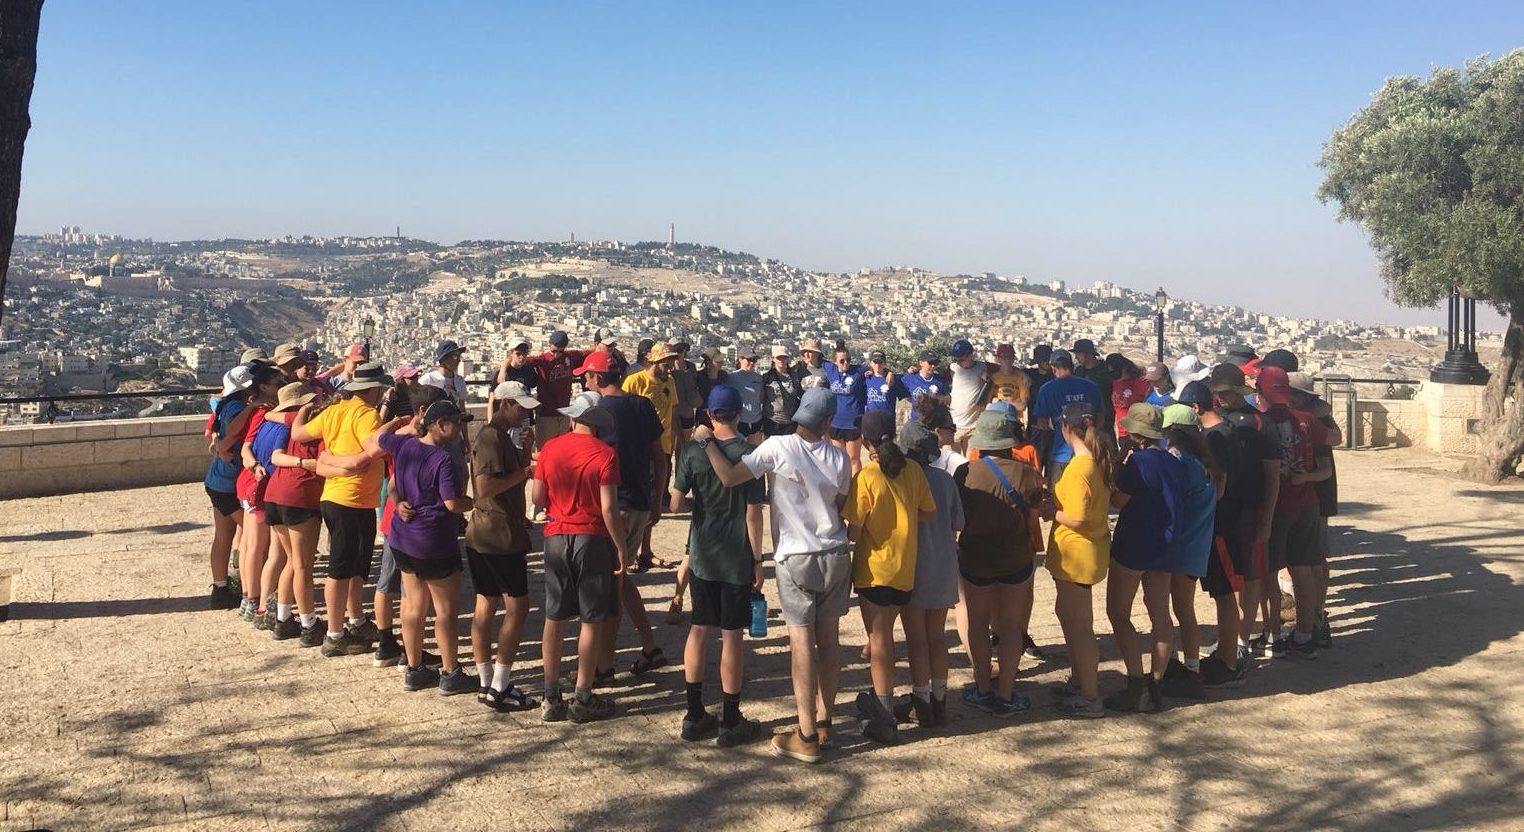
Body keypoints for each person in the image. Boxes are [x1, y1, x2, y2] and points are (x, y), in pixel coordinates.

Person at [696, 387, 851, 765]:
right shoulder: (840, 458)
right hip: (834, 551)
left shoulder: (779, 447)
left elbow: (731, 477)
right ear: (828, 422)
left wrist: (706, 444)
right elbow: (840, 505)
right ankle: (825, 719)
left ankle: (805, 734)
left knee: (801, 643)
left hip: (795, 555)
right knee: (828, 642)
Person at [671, 385, 767, 747]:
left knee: (699, 628)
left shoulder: (694, 453)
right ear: (739, 414)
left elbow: (677, 504)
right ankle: (730, 717)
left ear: (709, 415)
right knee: (732, 636)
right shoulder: (750, 455)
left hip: (702, 552)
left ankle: (694, 713)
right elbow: (753, 513)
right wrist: (758, 558)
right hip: (736, 555)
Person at [369, 400, 476, 694]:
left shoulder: (405, 446)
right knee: (445, 611)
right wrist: (477, 503)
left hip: (404, 538)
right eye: (456, 422)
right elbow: (452, 503)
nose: (459, 428)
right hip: (434, 540)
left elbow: (378, 439)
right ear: (441, 425)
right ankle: (450, 671)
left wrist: (396, 501)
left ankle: (414, 669)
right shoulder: (442, 459)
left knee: (414, 606)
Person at [842, 410, 935, 744]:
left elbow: (854, 531)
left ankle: (883, 712)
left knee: (880, 642)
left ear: (865, 441)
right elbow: (929, 511)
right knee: (885, 637)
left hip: (874, 569)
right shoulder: (913, 471)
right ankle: (895, 698)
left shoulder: (867, 476)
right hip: (904, 568)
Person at [533, 392, 627, 724]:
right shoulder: (606, 454)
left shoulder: (549, 448)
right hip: (592, 537)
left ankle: (550, 693)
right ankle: (583, 695)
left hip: (556, 535)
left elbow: (537, 496)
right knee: (591, 618)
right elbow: (608, 508)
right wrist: (621, 546)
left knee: (554, 617)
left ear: (573, 418)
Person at [290, 360, 392, 658]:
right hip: (353, 497)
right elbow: (373, 449)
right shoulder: (366, 415)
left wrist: (302, 413)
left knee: (356, 565)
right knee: (341, 568)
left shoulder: (334, 411)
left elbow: (298, 435)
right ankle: (335, 634)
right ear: (373, 389)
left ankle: (356, 619)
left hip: (336, 496)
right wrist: (396, 432)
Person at [954, 409, 1044, 719]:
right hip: (1015, 558)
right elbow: (1034, 519)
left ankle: (981, 687)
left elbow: (958, 519)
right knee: (1010, 627)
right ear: (1010, 442)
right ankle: (1006, 693)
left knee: (978, 624)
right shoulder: (1029, 474)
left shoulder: (965, 473)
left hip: (975, 558)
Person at [586, 355, 669, 676]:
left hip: (613, 505)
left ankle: (603, 665)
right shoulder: (643, 406)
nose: (585, 382)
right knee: (620, 580)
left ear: (597, 377)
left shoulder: (596, 413)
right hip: (639, 501)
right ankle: (650, 647)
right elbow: (659, 460)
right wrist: (657, 502)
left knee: (610, 589)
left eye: (588, 377)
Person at [465, 381, 542, 711]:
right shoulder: (492, 437)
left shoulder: (496, 437)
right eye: (521, 407)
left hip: (483, 533)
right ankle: (499, 684)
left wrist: (525, 452)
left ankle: (486, 681)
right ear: (506, 404)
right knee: (517, 608)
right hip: (499, 535)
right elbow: (485, 487)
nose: (525, 413)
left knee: (485, 605)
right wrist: (527, 469)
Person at [1104, 403, 1185, 713]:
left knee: (1119, 612)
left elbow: (1118, 500)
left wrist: (1116, 467)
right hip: (1165, 545)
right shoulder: (1175, 462)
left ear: (1135, 434)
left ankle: (1136, 683)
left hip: (1134, 543)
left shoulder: (1137, 463)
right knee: (1160, 614)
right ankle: (1156, 682)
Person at [1204, 363, 1282, 661]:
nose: (1221, 397)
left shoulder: (1262, 424)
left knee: (1250, 578)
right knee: (1226, 580)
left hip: (1250, 509)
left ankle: (1241, 639)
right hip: (1221, 510)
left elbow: (1273, 474)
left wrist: (1267, 519)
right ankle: (1231, 634)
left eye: (1226, 392)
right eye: (1218, 392)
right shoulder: (1213, 422)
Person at [890, 419, 964, 727]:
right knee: (936, 637)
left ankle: (920, 700)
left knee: (916, 638)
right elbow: (958, 523)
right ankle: (940, 701)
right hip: (944, 565)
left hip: (913, 565)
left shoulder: (900, 480)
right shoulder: (945, 480)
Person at [1256, 366, 1332, 659]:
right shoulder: (1307, 420)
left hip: (1275, 506)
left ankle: (1272, 632)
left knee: (1269, 572)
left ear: (1261, 392)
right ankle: (1304, 633)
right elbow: (1333, 439)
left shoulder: (1262, 424)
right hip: (1307, 503)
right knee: (1303, 569)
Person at [1045, 403, 1115, 718]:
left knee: (1081, 626)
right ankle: (1080, 680)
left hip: (1077, 552)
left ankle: (1090, 696)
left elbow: (1077, 517)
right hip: (1085, 550)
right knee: (1069, 616)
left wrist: (1051, 512)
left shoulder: (1080, 468)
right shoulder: (1095, 461)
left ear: (1066, 428)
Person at [1156, 405, 1220, 701]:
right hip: (1197, 545)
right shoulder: (1203, 462)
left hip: (1180, 546)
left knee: (1169, 609)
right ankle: (1191, 667)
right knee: (1185, 610)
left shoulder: (1180, 463)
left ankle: (1171, 666)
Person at [263, 383, 332, 647]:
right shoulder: (320, 429)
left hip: (274, 493)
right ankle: (308, 623)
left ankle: (283, 619)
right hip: (300, 495)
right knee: (303, 564)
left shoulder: (290, 423)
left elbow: (273, 420)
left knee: (291, 561)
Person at [1286, 369, 1341, 649]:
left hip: (1315, 496)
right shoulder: (1319, 420)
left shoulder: (1312, 423)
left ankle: (1316, 617)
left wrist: (1303, 478)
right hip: (1319, 496)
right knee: (1316, 558)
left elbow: (1324, 467)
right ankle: (1316, 616)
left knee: (1314, 559)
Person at [622, 341, 681, 571]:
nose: (670, 367)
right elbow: (623, 411)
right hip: (638, 448)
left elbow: (672, 412)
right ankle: (633, 550)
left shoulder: (671, 382)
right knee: (636, 501)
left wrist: (677, 442)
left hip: (662, 447)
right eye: (667, 363)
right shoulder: (635, 381)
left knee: (653, 500)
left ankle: (645, 549)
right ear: (655, 360)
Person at [233, 364, 283, 623]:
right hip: (257, 483)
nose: (281, 389)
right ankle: (253, 599)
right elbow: (246, 448)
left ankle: (247, 598)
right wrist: (255, 466)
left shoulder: (260, 412)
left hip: (249, 482)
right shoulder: (265, 413)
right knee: (255, 545)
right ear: (264, 387)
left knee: (249, 544)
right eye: (278, 384)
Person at [205, 364, 257, 609]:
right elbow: (228, 440)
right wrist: (252, 409)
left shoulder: (223, 404)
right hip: (228, 484)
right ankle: (250, 592)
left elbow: (215, 438)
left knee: (223, 535)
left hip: (216, 480)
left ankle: (220, 587)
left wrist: (218, 447)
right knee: (253, 535)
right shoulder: (238, 408)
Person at [1029, 348, 1104, 486]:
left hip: (1061, 452)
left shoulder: (1047, 389)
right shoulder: (1091, 386)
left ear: (1053, 368)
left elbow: (1042, 423)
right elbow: (1100, 417)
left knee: (1059, 496)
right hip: (1091, 451)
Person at [528, 330, 586, 451]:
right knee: (545, 450)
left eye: (560, 351)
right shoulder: (542, 359)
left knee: (563, 451)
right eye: (554, 351)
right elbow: (518, 358)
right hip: (546, 414)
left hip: (564, 413)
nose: (556, 355)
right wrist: (502, 369)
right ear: (549, 345)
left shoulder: (570, 357)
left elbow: (590, 352)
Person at [823, 342, 870, 474]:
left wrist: (889, 373)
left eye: (848, 360)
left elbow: (876, 367)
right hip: (836, 423)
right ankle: (841, 490)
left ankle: (856, 490)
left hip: (853, 423)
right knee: (838, 459)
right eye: (842, 361)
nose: (845, 363)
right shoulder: (830, 369)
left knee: (853, 459)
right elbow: (815, 360)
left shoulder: (858, 371)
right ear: (835, 361)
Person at [947, 339, 993, 451]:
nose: (959, 362)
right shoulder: (953, 368)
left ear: (970, 356)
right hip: (955, 425)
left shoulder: (982, 368)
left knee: (971, 463)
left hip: (974, 426)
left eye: (961, 359)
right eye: (956, 360)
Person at [1071, 339, 1117, 436]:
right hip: (1084, 417)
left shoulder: (1106, 371)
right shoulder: (1078, 371)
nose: (1076, 357)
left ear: (1088, 354)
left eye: (1078, 354)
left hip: (1104, 417)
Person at [1107, 354, 1153, 440]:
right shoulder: (1114, 383)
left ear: (1124, 369)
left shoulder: (1140, 382)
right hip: (1122, 432)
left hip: (1138, 431)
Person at [761, 344, 803, 436]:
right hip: (772, 422)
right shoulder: (766, 377)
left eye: (784, 357)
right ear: (773, 359)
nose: (782, 360)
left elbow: (800, 395)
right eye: (779, 358)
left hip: (790, 423)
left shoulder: (794, 377)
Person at [727, 345, 766, 439]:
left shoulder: (759, 378)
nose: (752, 363)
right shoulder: (731, 378)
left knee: (755, 452)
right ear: (740, 359)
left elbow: (761, 398)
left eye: (754, 360)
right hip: (739, 422)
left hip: (756, 421)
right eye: (749, 359)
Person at [669, 338, 703, 444]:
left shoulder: (691, 367)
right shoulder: (668, 369)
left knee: (684, 444)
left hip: (687, 412)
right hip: (672, 412)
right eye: (676, 351)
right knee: (670, 443)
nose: (679, 354)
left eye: (681, 350)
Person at [863, 349, 908, 422]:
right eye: (875, 362)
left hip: (887, 421)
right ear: (871, 363)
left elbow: (906, 391)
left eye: (880, 362)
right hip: (871, 421)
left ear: (884, 363)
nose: (878, 365)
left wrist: (890, 372)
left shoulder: (893, 380)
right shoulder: (866, 378)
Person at [988, 343, 1031, 418]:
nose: (1007, 360)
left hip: (1015, 422)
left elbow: (1022, 406)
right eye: (1004, 357)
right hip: (996, 420)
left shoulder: (1021, 379)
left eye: (1010, 357)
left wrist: (999, 402)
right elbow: (987, 404)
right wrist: (1014, 403)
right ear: (998, 359)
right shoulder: (992, 378)